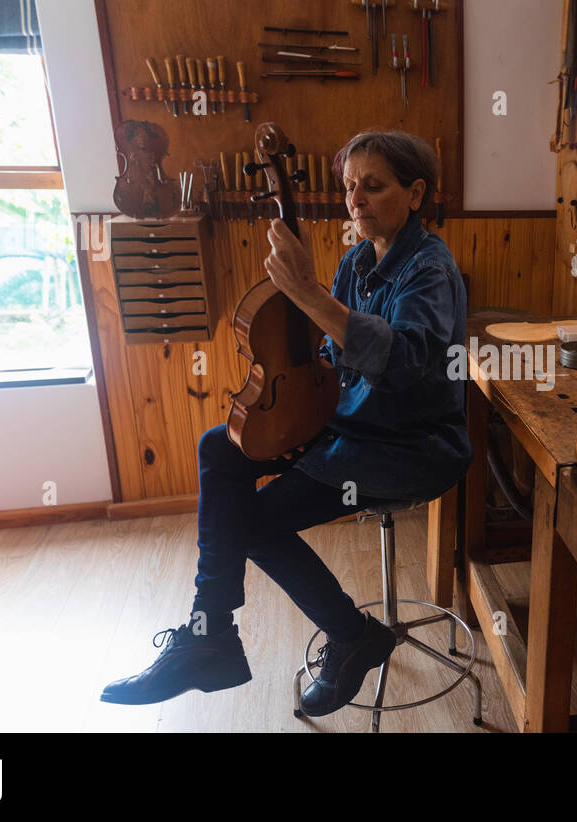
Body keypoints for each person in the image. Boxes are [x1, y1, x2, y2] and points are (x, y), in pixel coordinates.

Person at [100, 131, 471, 717]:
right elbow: (333, 353)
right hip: (350, 426)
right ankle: (210, 629)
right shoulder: (356, 261)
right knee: (219, 448)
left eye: (374, 186)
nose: (357, 200)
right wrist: (295, 390)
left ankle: (352, 635)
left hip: (410, 444)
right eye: (350, 187)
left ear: (416, 192)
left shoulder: (431, 268)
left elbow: (402, 362)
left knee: (254, 523)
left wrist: (305, 292)